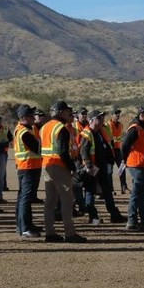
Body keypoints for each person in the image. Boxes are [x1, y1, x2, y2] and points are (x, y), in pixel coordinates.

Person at [39, 101, 86, 243]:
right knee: (67, 200)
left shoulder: (44, 127)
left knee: (50, 201)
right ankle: (70, 233)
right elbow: (62, 152)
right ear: (60, 112)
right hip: (59, 167)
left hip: (46, 166)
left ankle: (50, 233)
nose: (69, 114)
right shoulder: (61, 128)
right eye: (67, 111)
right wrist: (73, 167)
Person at [79, 110, 125, 223]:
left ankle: (114, 214)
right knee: (90, 190)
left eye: (102, 118)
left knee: (107, 190)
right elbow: (83, 151)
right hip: (93, 167)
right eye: (99, 118)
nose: (102, 120)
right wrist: (89, 166)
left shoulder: (101, 131)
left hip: (102, 165)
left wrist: (110, 159)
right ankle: (92, 216)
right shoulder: (87, 133)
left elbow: (107, 145)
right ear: (92, 120)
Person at [13, 105, 45, 239]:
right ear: (24, 118)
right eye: (31, 116)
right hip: (28, 167)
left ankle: (24, 224)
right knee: (25, 198)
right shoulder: (24, 132)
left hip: (29, 167)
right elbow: (37, 147)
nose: (34, 118)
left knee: (25, 197)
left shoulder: (26, 129)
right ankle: (24, 227)